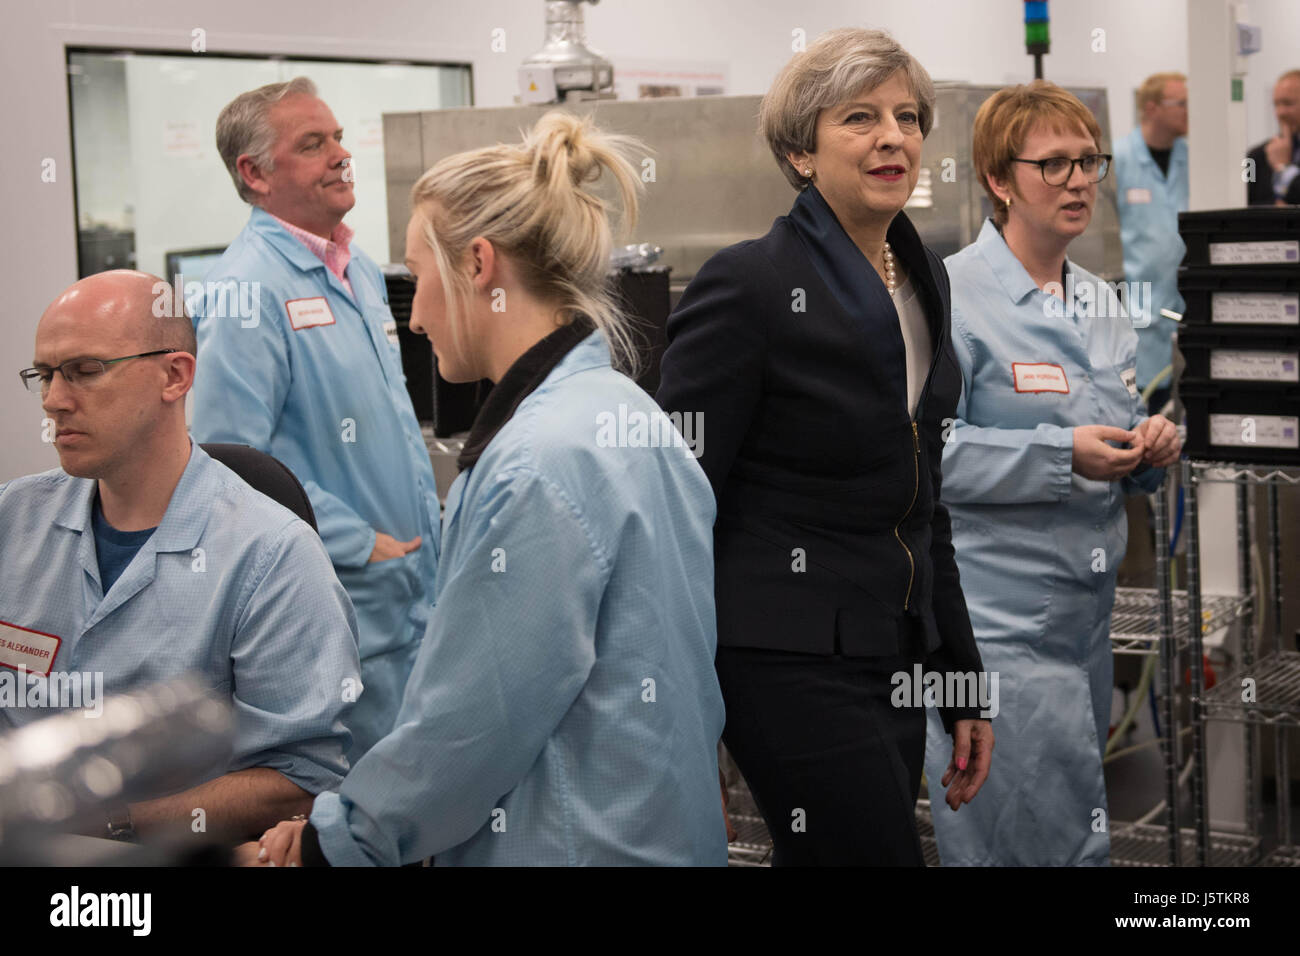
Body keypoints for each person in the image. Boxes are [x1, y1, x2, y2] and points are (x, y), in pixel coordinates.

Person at [247, 112, 728, 867]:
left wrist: (332, 842)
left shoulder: (536, 463)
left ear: (478, 264)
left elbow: (470, 728)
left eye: (420, 276)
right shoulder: (625, 413)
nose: (416, 317)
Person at [655, 28, 992, 866]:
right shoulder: (751, 284)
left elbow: (925, 500)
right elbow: (673, 494)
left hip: (896, 647)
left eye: (909, 117)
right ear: (801, 153)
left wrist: (960, 675)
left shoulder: (924, 278)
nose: (894, 137)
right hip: (785, 655)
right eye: (860, 118)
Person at [3, 270, 360, 843]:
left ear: (175, 375)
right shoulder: (12, 520)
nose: (53, 401)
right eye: (43, 375)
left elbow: (300, 779)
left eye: (84, 371)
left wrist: (105, 825)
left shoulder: (271, 556)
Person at [922, 81, 1182, 866]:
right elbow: (921, 453)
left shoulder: (1100, 299)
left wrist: (1143, 452)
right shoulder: (950, 298)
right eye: (1055, 164)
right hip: (997, 629)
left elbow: (1105, 423)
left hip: (1081, 623)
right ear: (1000, 181)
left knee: (1073, 835)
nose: (1078, 181)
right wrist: (1062, 457)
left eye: (1089, 162)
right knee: (1008, 842)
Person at [190, 78, 441, 762]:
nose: (339, 154)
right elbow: (229, 457)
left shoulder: (354, 266)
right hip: (345, 594)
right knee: (356, 814)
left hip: (411, 589)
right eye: (313, 143)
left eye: (336, 137)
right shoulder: (246, 290)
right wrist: (358, 541)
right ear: (256, 172)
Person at [1113, 72, 1188, 412]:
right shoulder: (1120, 159)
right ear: (1152, 108)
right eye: (1181, 103)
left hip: (1184, 307)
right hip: (1137, 312)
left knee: (1185, 407)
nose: (1189, 111)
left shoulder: (1193, 160)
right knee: (1143, 409)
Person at [1246, 70, 1300, 206]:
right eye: (1276, 104)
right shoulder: (1253, 157)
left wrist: (1283, 168)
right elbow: (1246, 201)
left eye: (1288, 104)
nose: (1280, 112)